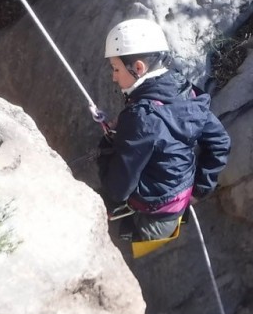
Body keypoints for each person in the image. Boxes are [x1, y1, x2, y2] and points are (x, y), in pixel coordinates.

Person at [97, 18, 231, 242]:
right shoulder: (185, 91)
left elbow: (118, 189)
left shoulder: (141, 117)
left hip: (152, 214)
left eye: (116, 68)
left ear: (138, 68)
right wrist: (199, 190)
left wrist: (108, 144)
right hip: (179, 200)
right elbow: (220, 142)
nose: (114, 76)